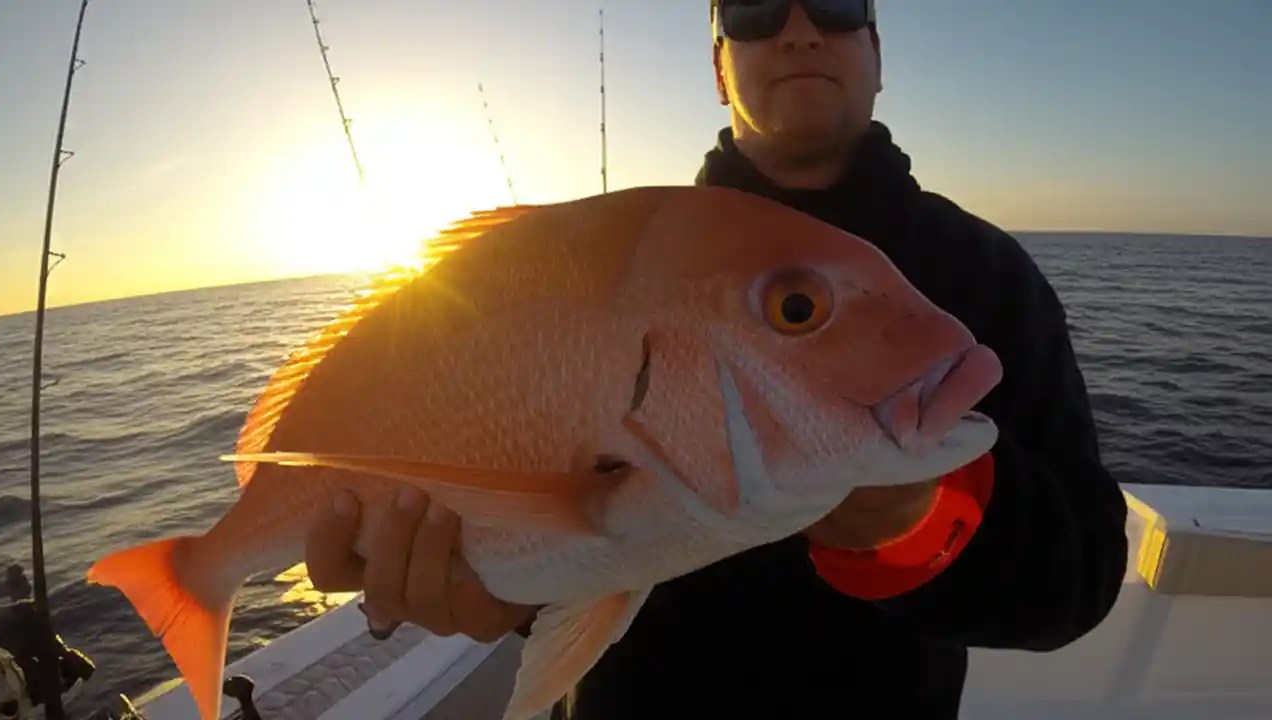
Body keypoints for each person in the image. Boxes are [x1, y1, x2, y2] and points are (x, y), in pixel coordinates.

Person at [303, 0, 1130, 716]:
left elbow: (1083, 581)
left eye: (838, 6)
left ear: (878, 52)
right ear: (718, 65)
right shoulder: (602, 267)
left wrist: (919, 525)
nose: (800, 32)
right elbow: (560, 537)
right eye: (755, 10)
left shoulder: (985, 277)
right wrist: (482, 591)